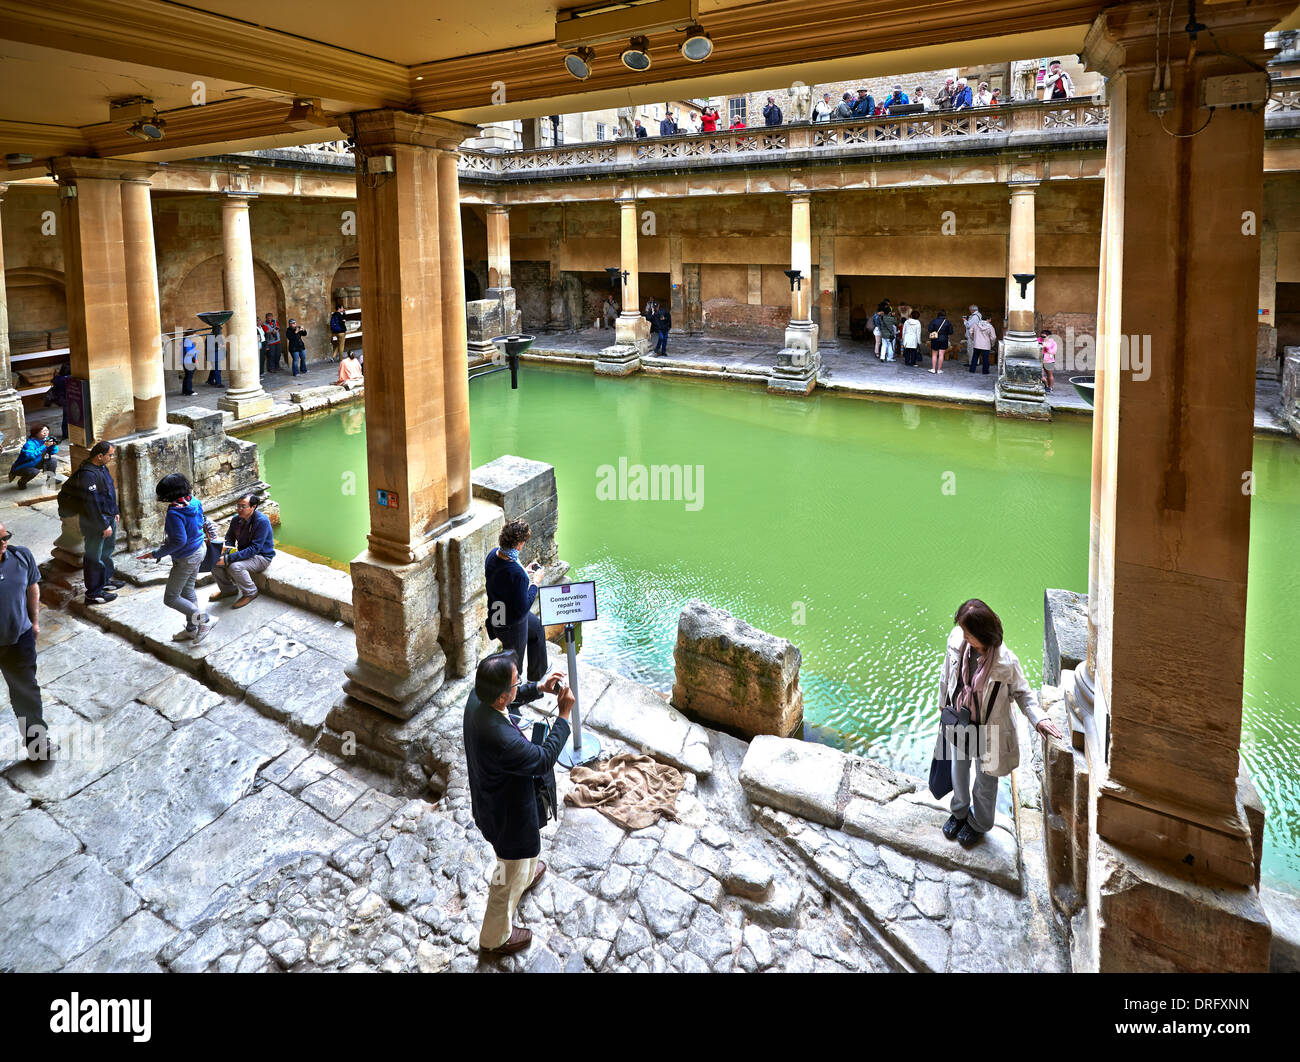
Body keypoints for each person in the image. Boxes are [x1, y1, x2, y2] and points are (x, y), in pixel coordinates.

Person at [464, 651, 573, 956]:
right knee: (506, 878)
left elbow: (508, 697)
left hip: (494, 799)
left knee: (522, 864)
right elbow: (542, 760)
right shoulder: (503, 740)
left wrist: (538, 687)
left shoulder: (478, 698)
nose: (519, 686)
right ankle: (494, 938)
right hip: (509, 820)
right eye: (517, 683)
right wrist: (563, 716)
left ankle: (524, 876)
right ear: (501, 697)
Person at [934, 599, 1062, 848]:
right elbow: (945, 676)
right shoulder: (956, 643)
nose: (964, 635)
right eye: (962, 629)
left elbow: (1024, 694)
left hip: (991, 730)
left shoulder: (1006, 662)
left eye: (968, 632)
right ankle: (959, 813)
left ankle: (978, 823)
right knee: (958, 771)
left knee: (985, 781)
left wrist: (1039, 719)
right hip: (960, 721)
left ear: (983, 634)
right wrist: (942, 708)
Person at [145, 473, 216, 645]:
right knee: (187, 591)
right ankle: (192, 630)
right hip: (200, 549)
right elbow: (200, 523)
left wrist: (156, 554)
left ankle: (204, 621)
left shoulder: (175, 513)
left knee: (171, 597)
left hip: (187, 556)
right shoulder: (194, 501)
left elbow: (179, 541)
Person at [0, 522, 51, 763]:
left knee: (26, 692)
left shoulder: (20, 556)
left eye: (5, 536)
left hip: (19, 639)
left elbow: (32, 586)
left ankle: (38, 745)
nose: (3, 542)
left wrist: (34, 622)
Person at [484, 520, 548, 688]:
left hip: (497, 615)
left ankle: (536, 676)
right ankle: (512, 701)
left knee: (537, 629)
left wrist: (524, 572)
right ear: (519, 544)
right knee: (514, 666)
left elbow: (503, 581)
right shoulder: (516, 573)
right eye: (524, 542)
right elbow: (523, 609)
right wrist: (534, 582)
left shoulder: (493, 555)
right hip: (512, 623)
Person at [62, 440, 122, 605]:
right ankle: (93, 593)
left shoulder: (102, 468)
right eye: (110, 455)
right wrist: (102, 525)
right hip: (96, 522)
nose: (112, 457)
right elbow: (91, 503)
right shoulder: (87, 474)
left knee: (106, 551)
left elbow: (109, 491)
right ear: (100, 456)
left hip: (108, 517)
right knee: (94, 557)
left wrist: (115, 511)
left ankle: (105, 581)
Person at [210, 493, 275, 609]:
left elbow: (255, 549)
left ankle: (251, 592)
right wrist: (226, 551)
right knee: (214, 562)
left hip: (261, 557)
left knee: (235, 567)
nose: (239, 509)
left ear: (253, 507)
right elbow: (229, 537)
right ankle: (228, 590)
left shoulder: (262, 521)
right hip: (245, 553)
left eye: (243, 506)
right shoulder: (236, 519)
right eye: (238, 506)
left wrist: (228, 559)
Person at [8, 425, 59, 490]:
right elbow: (31, 456)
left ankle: (50, 480)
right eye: (43, 431)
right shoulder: (29, 444)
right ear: (36, 433)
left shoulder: (45, 441)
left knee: (53, 460)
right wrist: (44, 446)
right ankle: (22, 482)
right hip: (22, 467)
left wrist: (53, 446)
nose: (45, 433)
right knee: (34, 471)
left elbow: (53, 452)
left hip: (36, 463)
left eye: (47, 430)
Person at [50, 361, 71, 440]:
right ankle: (67, 434)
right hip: (68, 399)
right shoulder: (67, 379)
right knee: (69, 417)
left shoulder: (58, 378)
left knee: (65, 417)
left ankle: (65, 434)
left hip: (61, 399)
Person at [928, 309, 952, 374]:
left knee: (934, 354)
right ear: (945, 315)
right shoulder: (947, 322)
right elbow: (951, 332)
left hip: (935, 339)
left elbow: (929, 329)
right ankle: (939, 370)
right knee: (941, 355)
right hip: (944, 339)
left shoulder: (934, 321)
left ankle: (933, 369)